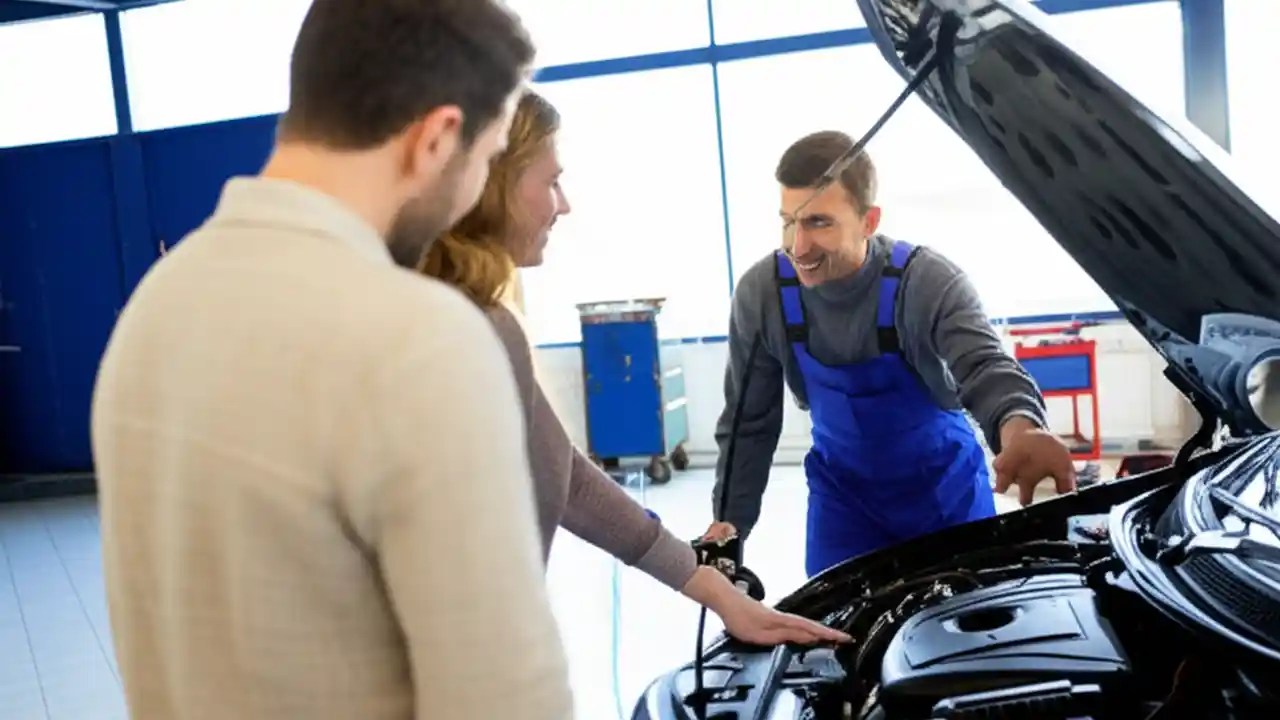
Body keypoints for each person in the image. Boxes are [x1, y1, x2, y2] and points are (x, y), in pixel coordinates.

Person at [91, 2, 573, 719]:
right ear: (438, 138)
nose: (474, 193)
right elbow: (505, 701)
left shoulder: (152, 311)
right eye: (485, 155)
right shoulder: (418, 337)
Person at [419, 91, 850, 647]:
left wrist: (717, 591)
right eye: (550, 180)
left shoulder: (450, 313)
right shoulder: (466, 328)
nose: (564, 204)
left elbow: (566, 477)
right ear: (492, 182)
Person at [701, 131, 1077, 578]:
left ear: (868, 221)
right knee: (839, 632)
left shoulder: (926, 282)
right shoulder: (762, 295)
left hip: (946, 498)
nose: (798, 247)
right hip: (844, 505)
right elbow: (749, 423)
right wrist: (728, 526)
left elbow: (984, 366)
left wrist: (1019, 429)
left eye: (819, 222)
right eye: (788, 221)